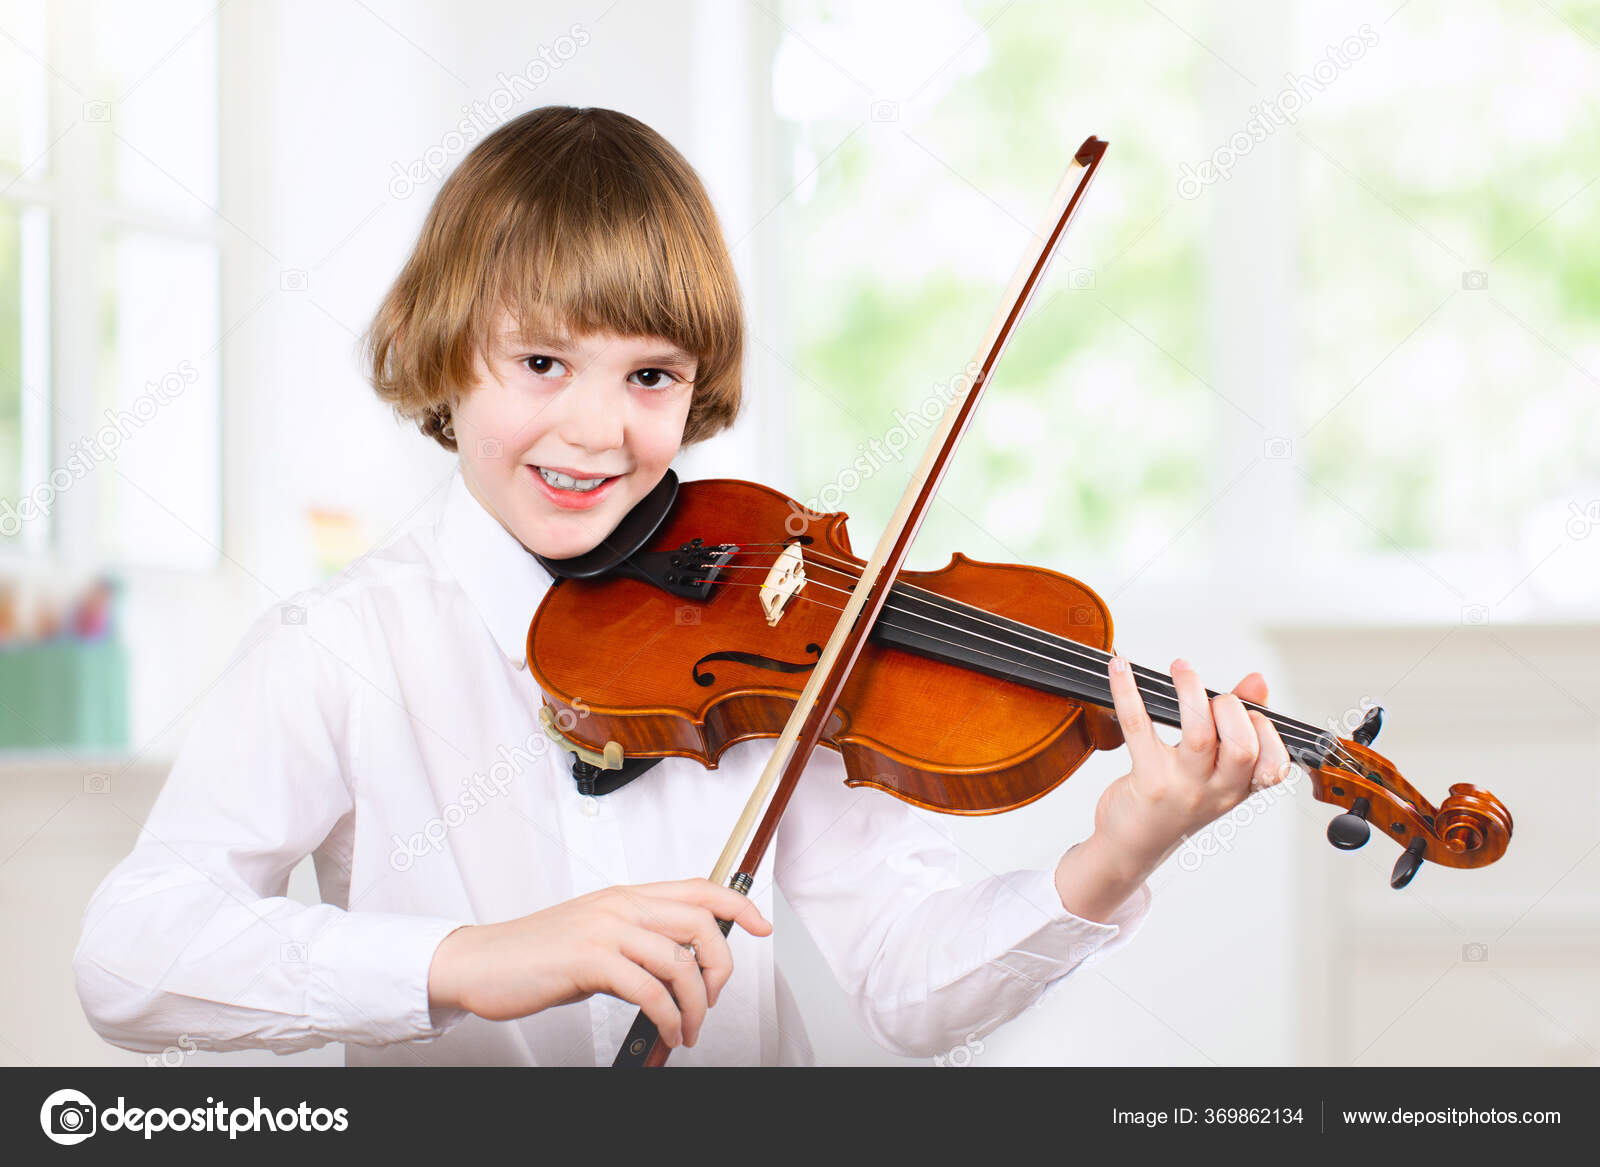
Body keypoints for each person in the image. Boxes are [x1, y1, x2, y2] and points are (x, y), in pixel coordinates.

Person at [73, 106, 1289, 1066]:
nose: (597, 430)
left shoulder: (778, 633)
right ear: (445, 353)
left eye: (650, 375)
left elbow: (911, 985)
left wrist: (1114, 856)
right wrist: (465, 960)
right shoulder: (341, 649)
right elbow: (130, 960)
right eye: (543, 362)